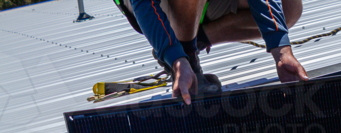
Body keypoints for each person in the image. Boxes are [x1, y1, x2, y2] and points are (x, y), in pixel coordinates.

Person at [114, 0, 307, 103]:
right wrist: (176, 58)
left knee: (288, 8)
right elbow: (143, 3)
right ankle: (187, 58)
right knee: (179, 58)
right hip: (147, 8)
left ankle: (193, 40)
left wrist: (281, 49)